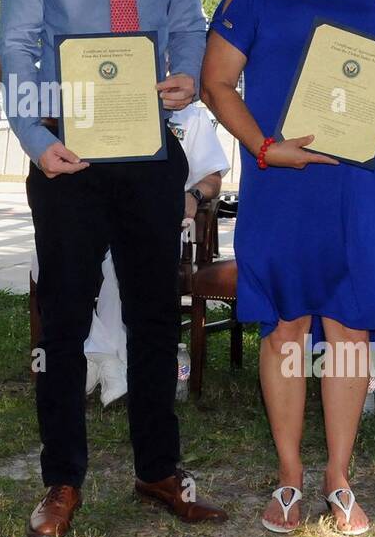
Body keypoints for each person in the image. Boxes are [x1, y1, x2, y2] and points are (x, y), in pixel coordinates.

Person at [0, 0, 227, 537]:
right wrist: (34, 138)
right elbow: (18, 42)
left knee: (155, 314)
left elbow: (188, 29)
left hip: (149, 146)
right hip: (69, 152)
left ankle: (158, 471)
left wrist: (189, 76)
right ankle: (62, 481)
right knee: (61, 320)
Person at [201, 0, 375, 536]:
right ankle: (289, 477)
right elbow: (216, 84)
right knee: (285, 326)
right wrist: (263, 146)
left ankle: (339, 479)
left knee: (347, 327)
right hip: (280, 181)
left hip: (356, 185)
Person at [30, 102, 230, 407]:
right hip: (97, 216)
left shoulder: (192, 116)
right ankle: (103, 353)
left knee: (121, 268)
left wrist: (193, 195)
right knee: (42, 264)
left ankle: (114, 364)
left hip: (158, 222)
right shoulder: (97, 102)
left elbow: (213, 178)